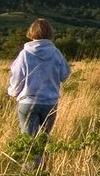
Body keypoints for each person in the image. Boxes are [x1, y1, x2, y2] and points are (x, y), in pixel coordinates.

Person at [7, 18, 70, 164]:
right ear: (50, 33)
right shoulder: (56, 53)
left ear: (32, 32)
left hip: (27, 103)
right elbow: (65, 74)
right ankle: (42, 170)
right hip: (50, 103)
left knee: (29, 143)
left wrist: (13, 92)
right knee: (43, 140)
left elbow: (17, 78)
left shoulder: (24, 54)